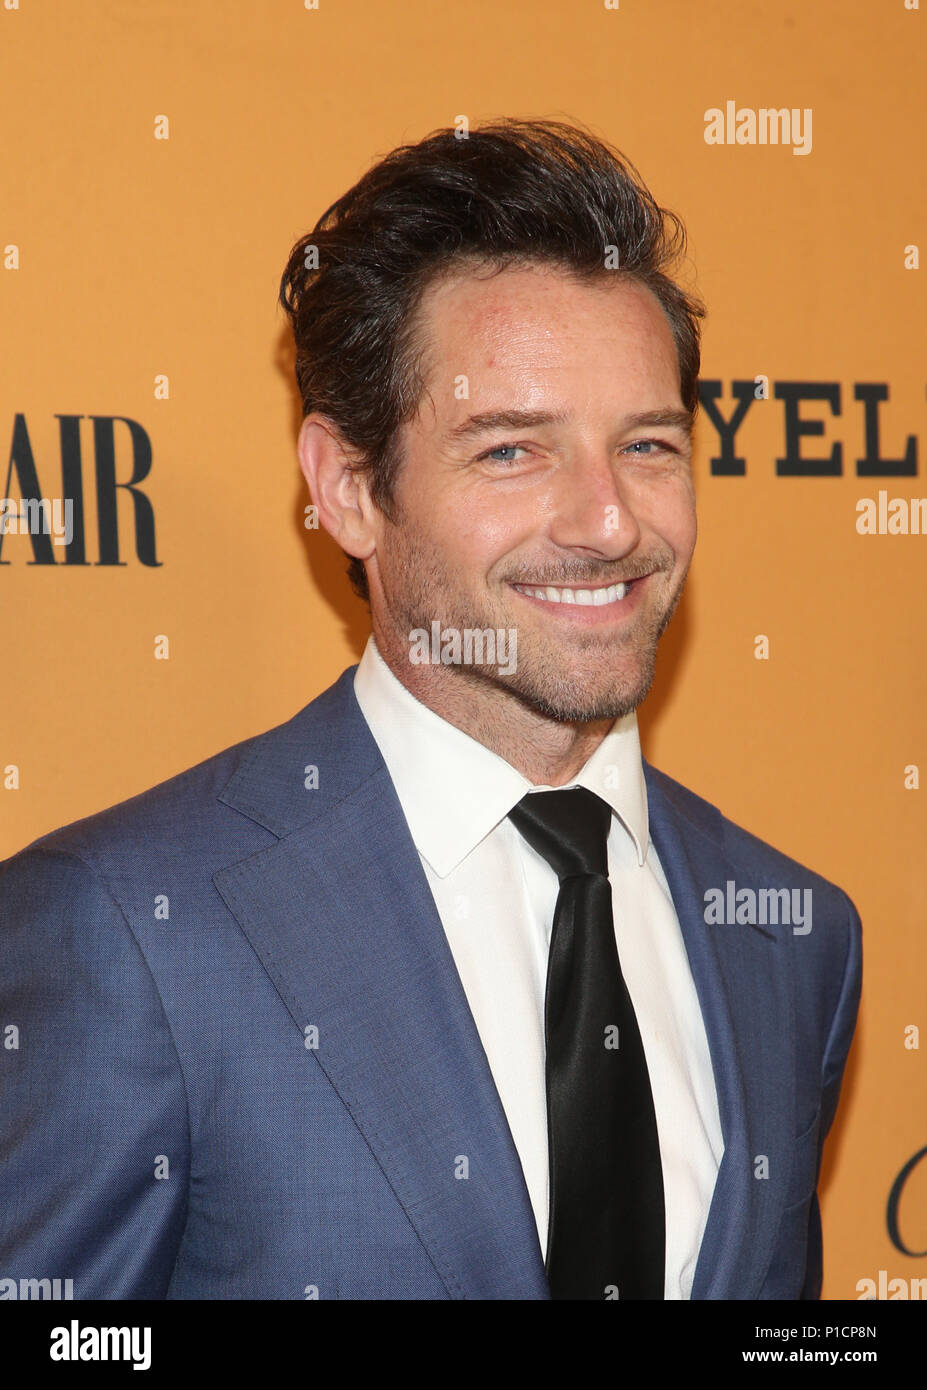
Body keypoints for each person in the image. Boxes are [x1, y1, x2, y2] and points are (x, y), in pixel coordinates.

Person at [0, 119, 861, 1301]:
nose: (609, 522)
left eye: (648, 444)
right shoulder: (132, 930)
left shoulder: (793, 936)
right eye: (512, 451)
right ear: (350, 491)